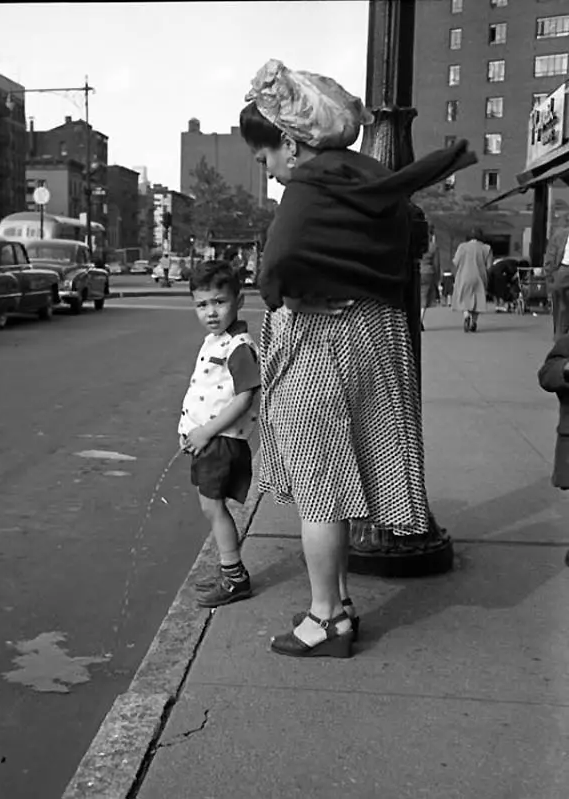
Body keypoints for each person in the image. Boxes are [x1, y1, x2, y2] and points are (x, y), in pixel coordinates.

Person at [239, 58, 477, 658]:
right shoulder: (362, 178)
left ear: (291, 143)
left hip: (322, 344)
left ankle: (324, 620)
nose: (265, 169)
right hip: (372, 337)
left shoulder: (308, 189)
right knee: (342, 487)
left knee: (321, 491)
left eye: (265, 154)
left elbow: (281, 261)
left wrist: (275, 296)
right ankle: (339, 602)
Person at [178, 260, 262, 608]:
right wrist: (190, 431)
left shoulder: (239, 345)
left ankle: (234, 576)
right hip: (209, 439)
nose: (211, 312)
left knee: (213, 507)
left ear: (238, 301)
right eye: (202, 304)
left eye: (219, 302)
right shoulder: (215, 340)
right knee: (209, 505)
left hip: (222, 440)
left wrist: (207, 432)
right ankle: (229, 568)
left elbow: (245, 396)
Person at [452, 229, 491, 332]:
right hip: (479, 276)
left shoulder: (462, 247)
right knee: (478, 299)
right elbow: (489, 266)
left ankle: (466, 315)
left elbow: (456, 262)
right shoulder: (486, 248)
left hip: (464, 276)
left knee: (465, 297)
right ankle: (474, 322)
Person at [544, 225, 569, 337]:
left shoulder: (560, 234)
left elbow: (551, 255)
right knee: (561, 306)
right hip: (562, 272)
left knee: (561, 307)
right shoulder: (560, 234)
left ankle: (560, 336)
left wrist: (550, 274)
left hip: (562, 271)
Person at [419, 225, 441, 331]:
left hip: (415, 272)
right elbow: (436, 264)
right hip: (427, 272)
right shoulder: (433, 247)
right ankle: (420, 320)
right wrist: (437, 278)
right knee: (424, 298)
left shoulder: (414, 244)